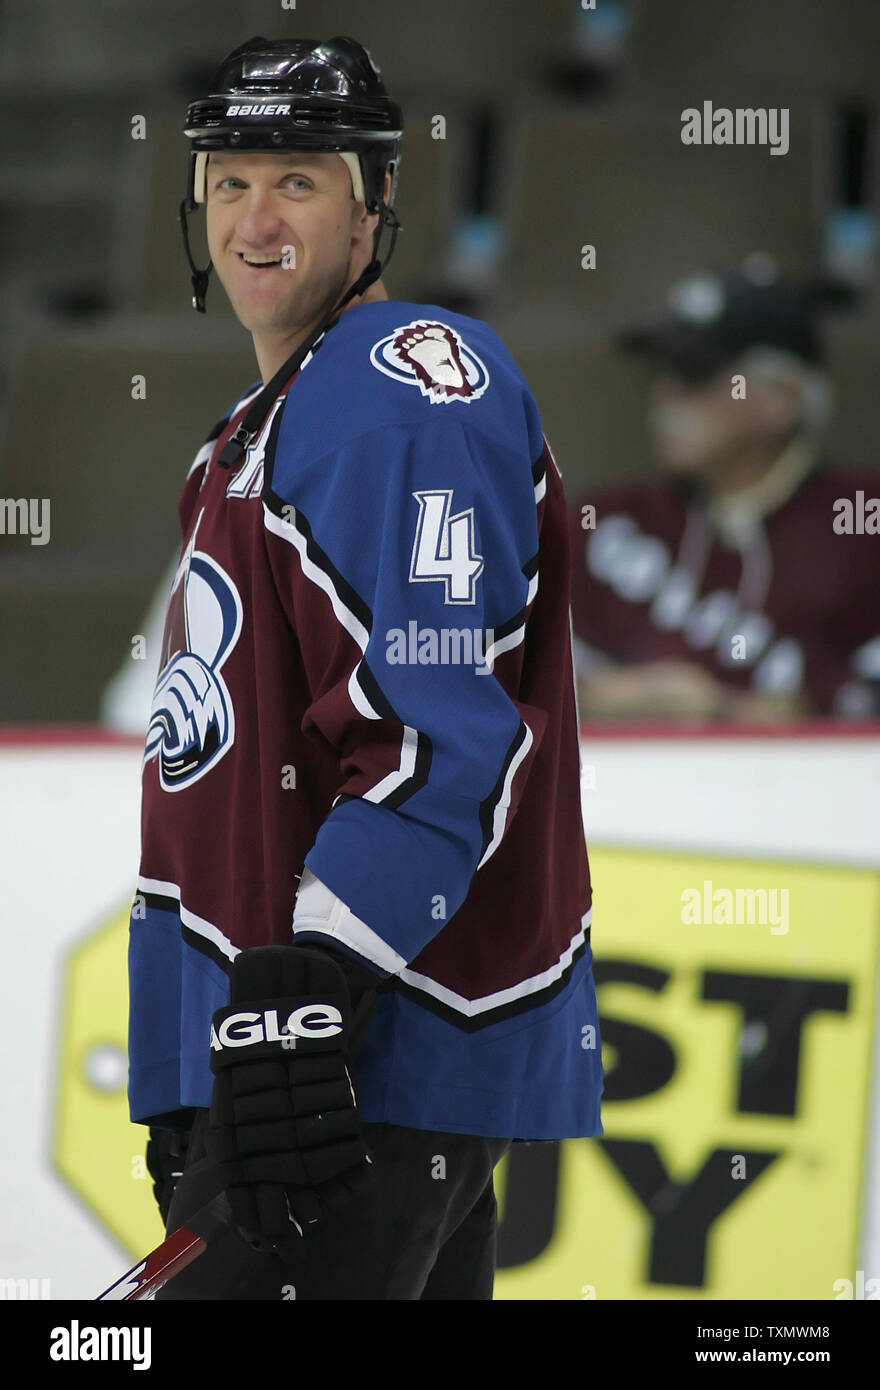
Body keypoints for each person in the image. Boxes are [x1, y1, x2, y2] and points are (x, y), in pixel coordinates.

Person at [128, 35, 603, 1301]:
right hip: (301, 1053)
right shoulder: (251, 431)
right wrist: (198, 1056)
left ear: (374, 204)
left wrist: (314, 988)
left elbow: (439, 728)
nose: (255, 216)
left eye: (298, 179)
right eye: (229, 183)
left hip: (363, 1050)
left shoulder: (405, 389)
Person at [568, 259, 880, 722]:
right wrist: (608, 698)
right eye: (663, 371)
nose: (665, 394)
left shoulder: (861, 520)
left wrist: (733, 710)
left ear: (782, 400)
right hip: (628, 789)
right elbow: (496, 669)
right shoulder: (602, 520)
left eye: (696, 373)